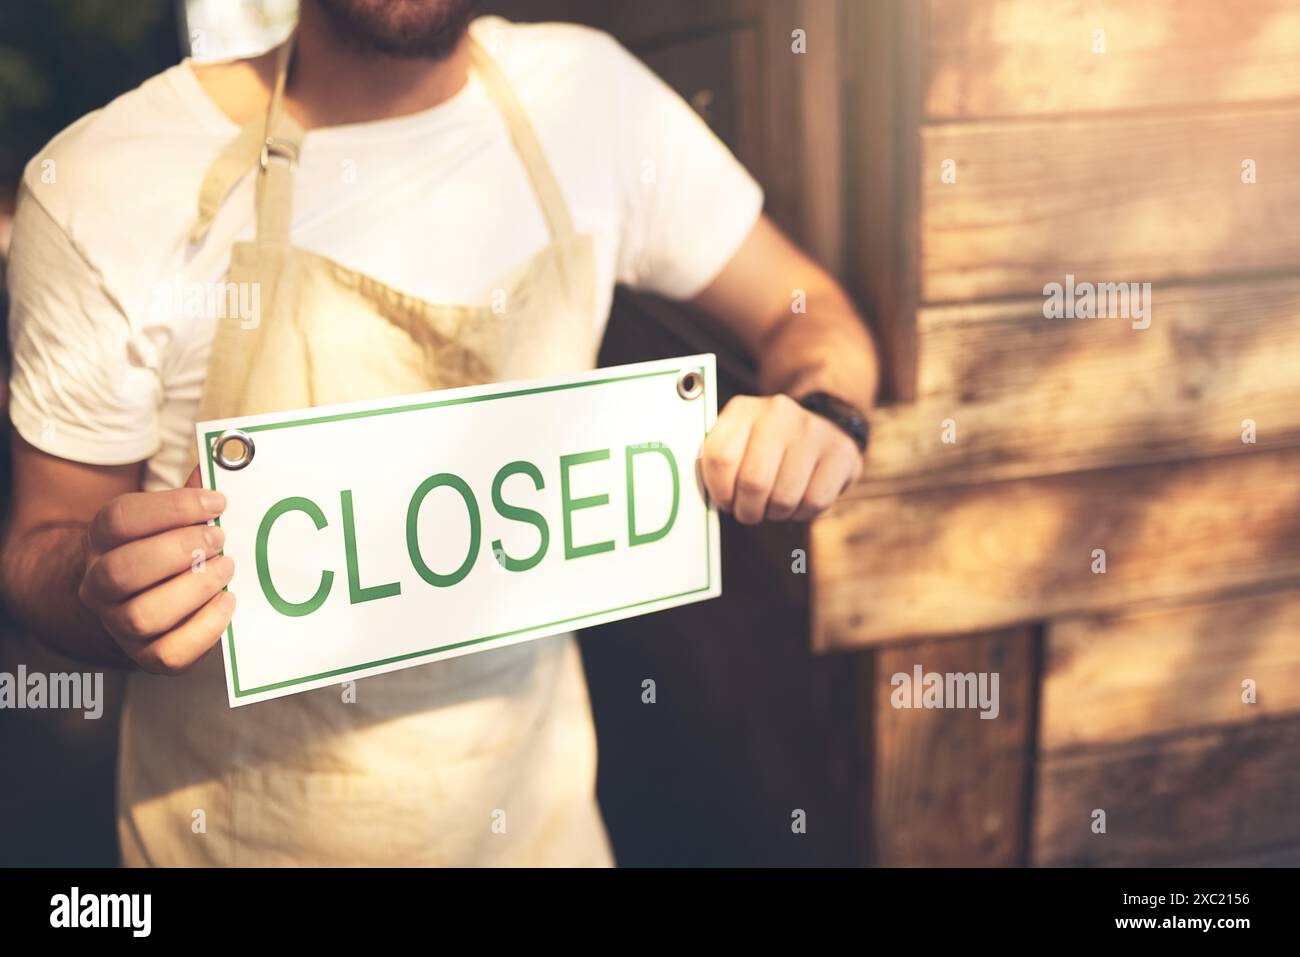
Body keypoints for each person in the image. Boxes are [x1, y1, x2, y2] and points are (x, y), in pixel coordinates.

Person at [1, 0, 878, 866]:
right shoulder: (104, 184)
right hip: (245, 839)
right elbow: (40, 543)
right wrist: (95, 589)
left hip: (541, 832)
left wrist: (821, 412)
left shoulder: (593, 99)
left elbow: (811, 315)